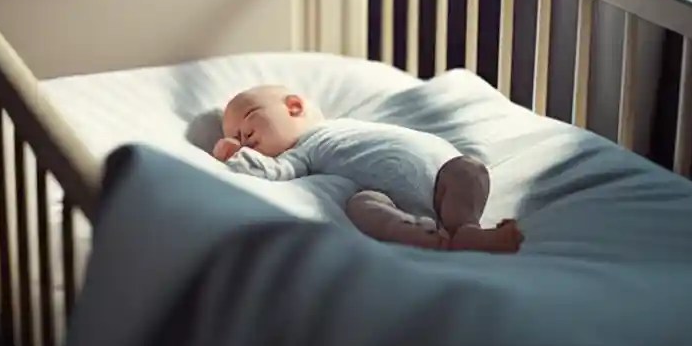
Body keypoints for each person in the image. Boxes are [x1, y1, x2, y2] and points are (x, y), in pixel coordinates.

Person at [213, 85, 523, 253]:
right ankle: (419, 233)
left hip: (443, 171)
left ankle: (466, 229)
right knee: (362, 206)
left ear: (293, 106)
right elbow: (272, 172)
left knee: (471, 170)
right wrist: (234, 154)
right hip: (392, 198)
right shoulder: (300, 154)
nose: (243, 137)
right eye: (237, 136)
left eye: (248, 119)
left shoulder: (343, 125)